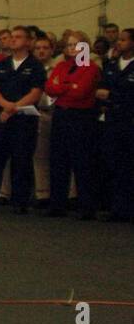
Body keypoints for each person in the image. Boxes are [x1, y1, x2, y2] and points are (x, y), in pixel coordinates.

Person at [0, 26, 46, 215]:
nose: (13, 40)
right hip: (2, 118)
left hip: (23, 119)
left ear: (28, 42)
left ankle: (20, 202)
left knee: (22, 160)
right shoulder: (3, 64)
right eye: (11, 37)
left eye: (18, 37)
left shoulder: (35, 65)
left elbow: (35, 93)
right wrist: (5, 105)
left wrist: (13, 108)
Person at [45, 32, 101, 219]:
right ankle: (57, 205)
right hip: (61, 115)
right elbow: (50, 88)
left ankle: (86, 206)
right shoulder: (61, 65)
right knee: (58, 160)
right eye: (68, 44)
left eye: (76, 44)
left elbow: (82, 91)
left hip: (81, 117)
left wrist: (63, 87)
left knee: (82, 162)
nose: (71, 48)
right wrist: (69, 86)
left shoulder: (90, 68)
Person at [97, 28, 134, 222]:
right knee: (114, 163)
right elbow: (102, 85)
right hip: (111, 119)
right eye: (118, 40)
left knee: (129, 164)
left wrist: (112, 95)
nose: (119, 43)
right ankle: (117, 207)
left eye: (123, 40)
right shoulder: (112, 64)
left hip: (129, 119)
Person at [31, 34, 60, 208]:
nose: (41, 51)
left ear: (52, 50)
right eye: (38, 48)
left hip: (56, 113)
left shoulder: (58, 68)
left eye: (45, 48)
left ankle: (66, 193)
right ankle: (42, 193)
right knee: (39, 155)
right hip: (36, 112)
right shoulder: (32, 68)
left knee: (58, 154)